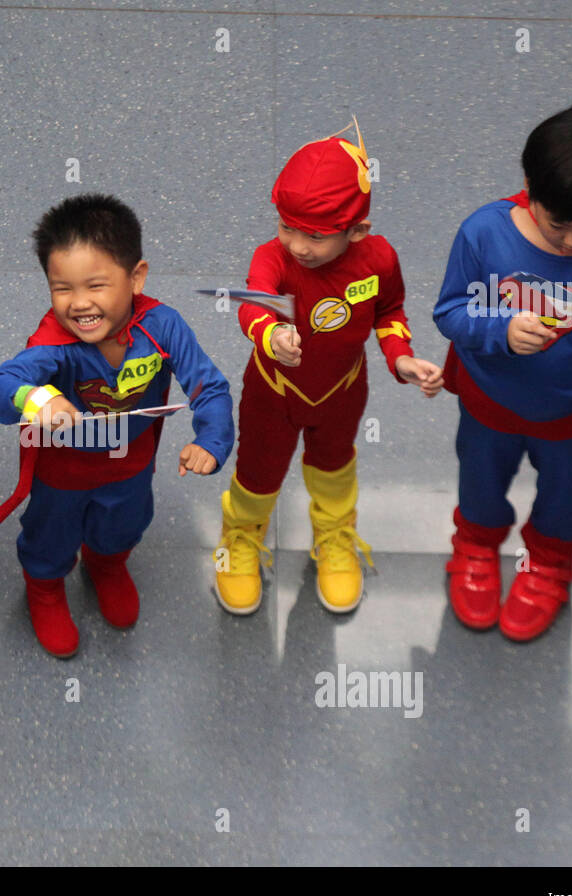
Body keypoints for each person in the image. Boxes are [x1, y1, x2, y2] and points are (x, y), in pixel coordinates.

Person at [434, 101, 572, 641]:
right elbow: (449, 313)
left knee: (565, 502)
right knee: (480, 488)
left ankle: (549, 567)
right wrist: (501, 331)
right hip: (488, 408)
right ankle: (475, 549)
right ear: (529, 187)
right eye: (557, 222)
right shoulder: (483, 235)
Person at [0, 193, 233, 658]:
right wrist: (36, 397)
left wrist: (211, 439)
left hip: (131, 466)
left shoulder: (164, 327)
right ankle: (46, 585)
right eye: (61, 288)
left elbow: (209, 387)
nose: (79, 304)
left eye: (95, 285)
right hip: (62, 473)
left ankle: (106, 564)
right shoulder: (52, 344)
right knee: (49, 534)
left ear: (137, 277)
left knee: (125, 523)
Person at [213, 123, 443, 616]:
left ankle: (335, 532)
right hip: (272, 392)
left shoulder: (379, 259)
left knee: (334, 465)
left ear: (357, 230)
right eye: (287, 226)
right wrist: (270, 335)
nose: (297, 245)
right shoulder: (271, 258)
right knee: (258, 470)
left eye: (315, 235)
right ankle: (240, 535)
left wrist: (399, 356)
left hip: (343, 390)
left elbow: (389, 311)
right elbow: (251, 305)